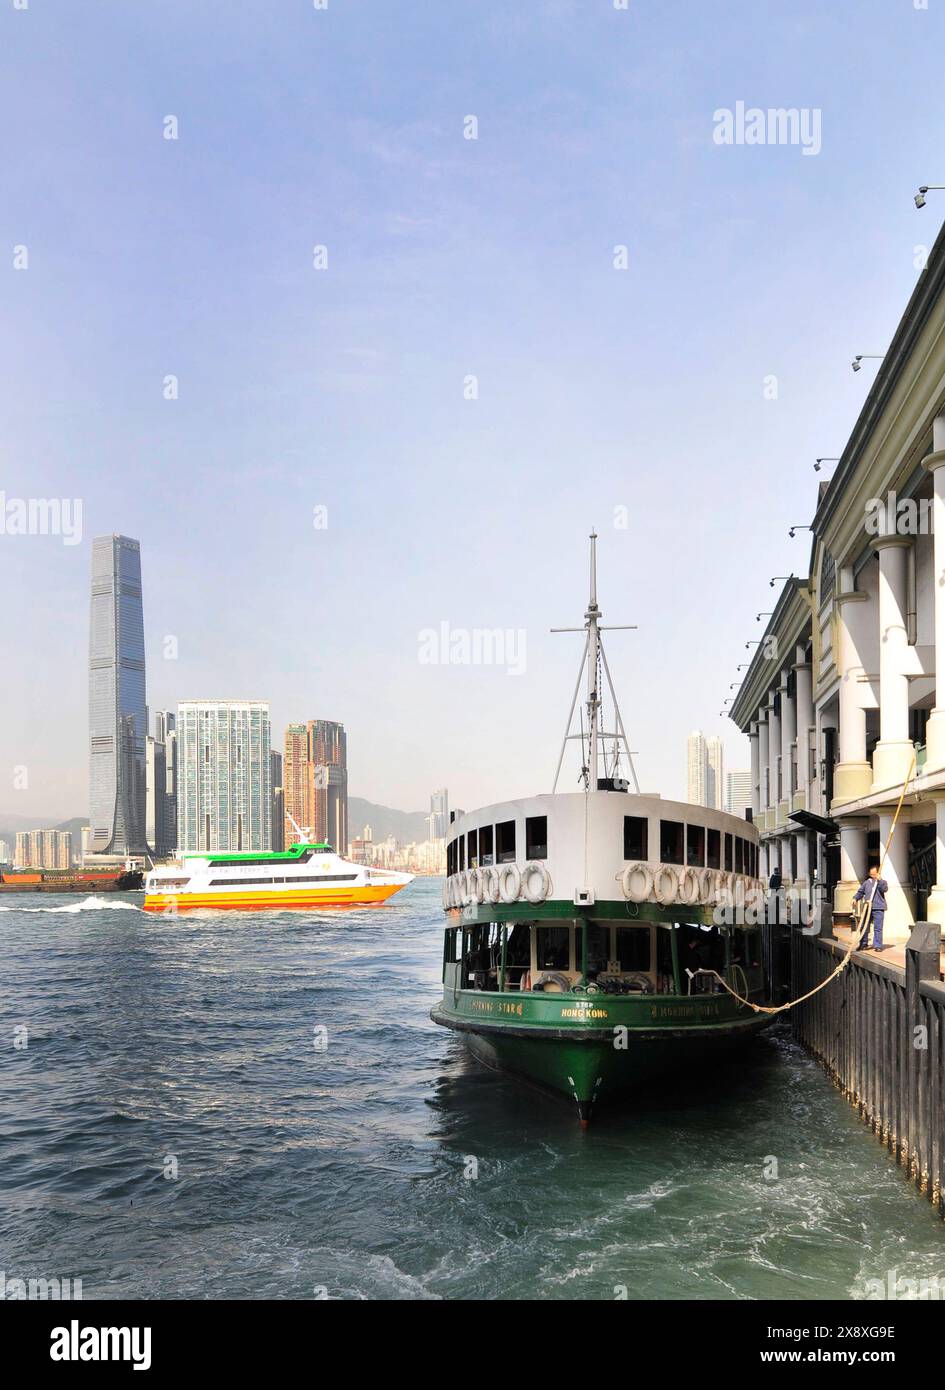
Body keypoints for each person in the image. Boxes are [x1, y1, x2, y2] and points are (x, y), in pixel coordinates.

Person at [853, 865, 889, 952]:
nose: (873, 876)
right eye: (871, 874)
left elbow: (884, 889)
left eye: (874, 874)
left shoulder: (882, 882)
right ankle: (863, 943)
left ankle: (877, 945)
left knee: (878, 927)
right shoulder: (866, 883)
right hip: (867, 907)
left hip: (878, 908)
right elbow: (860, 892)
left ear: (878, 873)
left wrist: (880, 880)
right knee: (864, 926)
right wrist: (855, 898)